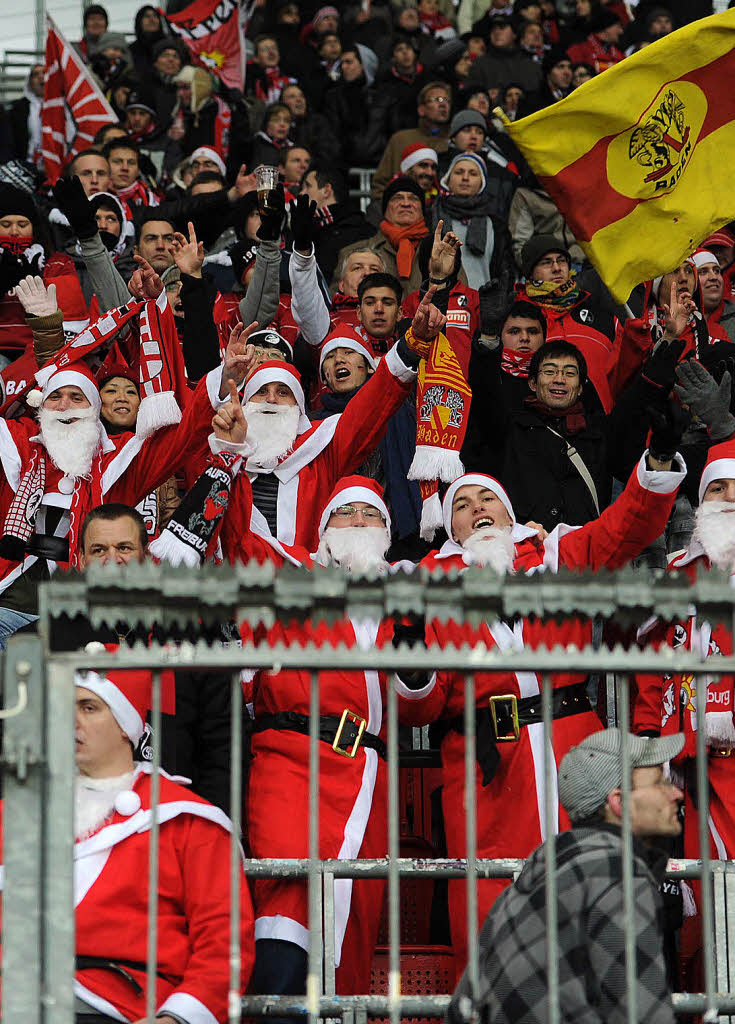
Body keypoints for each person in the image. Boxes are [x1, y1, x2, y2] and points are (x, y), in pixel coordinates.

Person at [407, 427, 686, 973]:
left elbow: (627, 526)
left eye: (488, 498)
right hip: (485, 768)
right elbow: (422, 708)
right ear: (451, 528)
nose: (476, 509)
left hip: (574, 749)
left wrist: (653, 462)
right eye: (460, 505)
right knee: (494, 908)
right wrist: (414, 670)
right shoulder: (425, 587)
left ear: (510, 515)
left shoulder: (560, 553)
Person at [0, 666, 255, 1018]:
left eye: (88, 708)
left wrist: (176, 1018)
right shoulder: (14, 813)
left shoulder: (190, 822)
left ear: (125, 724)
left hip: (120, 1009)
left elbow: (224, 950)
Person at [448, 729, 683, 1024]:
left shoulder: (532, 879)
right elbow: (645, 1014)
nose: (677, 793)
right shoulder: (616, 872)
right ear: (619, 803)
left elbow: (461, 1008)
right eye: (661, 783)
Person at [210, 286, 441, 552]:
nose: (271, 400)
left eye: (283, 392)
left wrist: (412, 345)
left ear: (299, 408)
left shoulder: (321, 448)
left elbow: (372, 405)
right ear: (245, 402)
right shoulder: (221, 445)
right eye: (261, 392)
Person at [338, 176, 428, 298]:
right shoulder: (352, 254)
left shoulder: (440, 252)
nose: (406, 203)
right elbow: (337, 303)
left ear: (422, 209)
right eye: (398, 198)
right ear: (385, 209)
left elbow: (460, 300)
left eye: (413, 199)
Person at [370, 81, 453, 201]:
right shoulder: (401, 140)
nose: (443, 105)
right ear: (421, 109)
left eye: (447, 100)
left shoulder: (454, 142)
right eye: (437, 99)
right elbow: (380, 185)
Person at [567, 10, 625, 74]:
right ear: (607, 27)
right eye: (618, 26)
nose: (621, 31)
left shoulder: (619, 55)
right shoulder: (579, 49)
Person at [7, 64, 44, 166]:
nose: (41, 77)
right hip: (26, 164)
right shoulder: (17, 108)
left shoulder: (64, 107)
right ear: (30, 83)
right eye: (36, 74)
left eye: (45, 73)